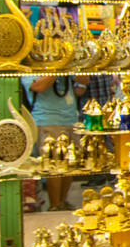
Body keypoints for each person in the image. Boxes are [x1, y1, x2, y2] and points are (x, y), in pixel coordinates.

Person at [24, 75, 85, 211]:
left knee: (70, 163)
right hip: (47, 119)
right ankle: (54, 205)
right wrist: (57, 68)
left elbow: (84, 81)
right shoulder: (32, 69)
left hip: (71, 119)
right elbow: (39, 86)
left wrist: (72, 67)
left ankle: (63, 201)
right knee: (54, 164)